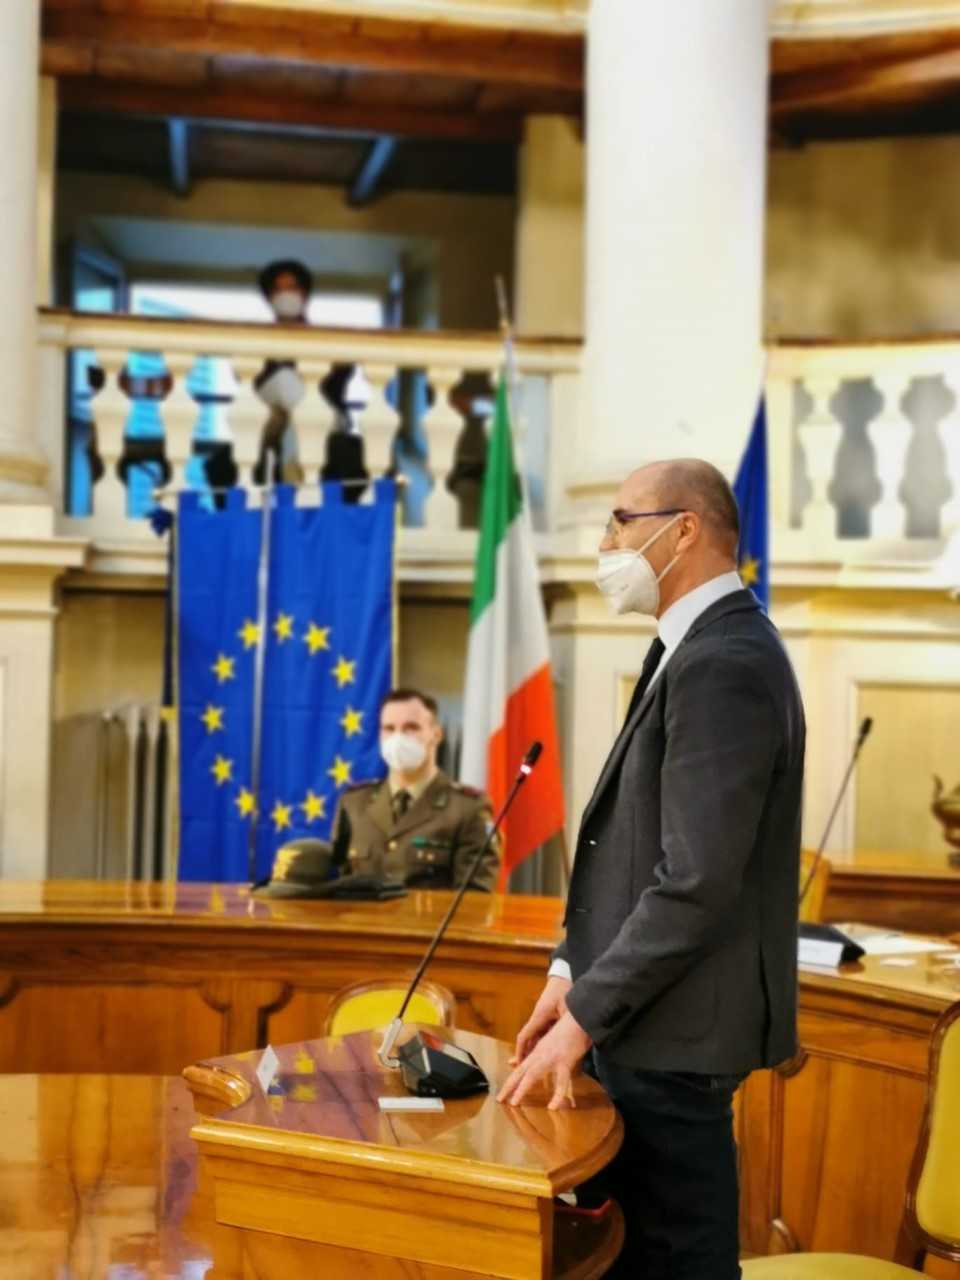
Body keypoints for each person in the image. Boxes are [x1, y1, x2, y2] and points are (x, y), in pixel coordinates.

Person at [497, 458, 805, 1280]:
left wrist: (586, 1014)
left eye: (621, 523)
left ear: (685, 530)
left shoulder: (724, 662)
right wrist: (570, 969)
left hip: (676, 1035)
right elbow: (634, 849)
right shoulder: (694, 647)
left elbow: (696, 879)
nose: (605, 544)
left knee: (679, 1261)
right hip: (653, 1019)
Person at [331, 687, 500, 891]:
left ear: (436, 734)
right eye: (389, 728)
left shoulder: (467, 808)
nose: (398, 738)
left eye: (411, 727)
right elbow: (336, 886)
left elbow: (474, 901)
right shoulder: (353, 803)